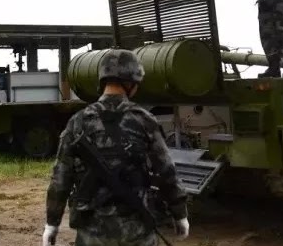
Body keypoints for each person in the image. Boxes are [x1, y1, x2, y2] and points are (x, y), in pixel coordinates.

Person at [42, 49, 190, 246]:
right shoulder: (144, 120)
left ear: (102, 80)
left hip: (92, 234)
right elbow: (167, 172)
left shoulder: (77, 122)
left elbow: (60, 179)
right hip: (137, 231)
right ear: (131, 83)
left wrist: (52, 224)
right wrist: (180, 214)